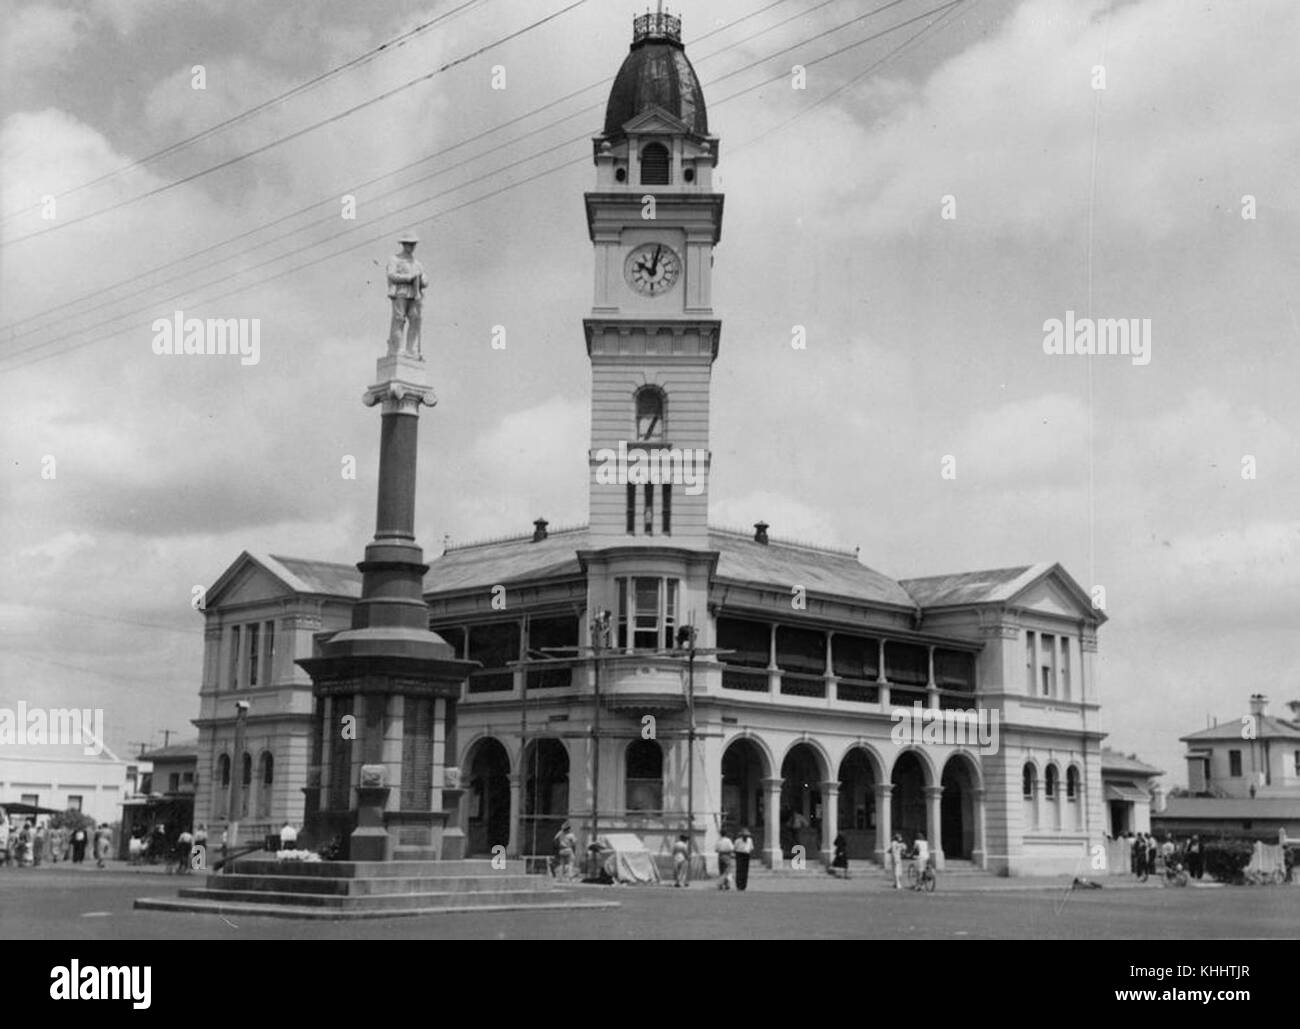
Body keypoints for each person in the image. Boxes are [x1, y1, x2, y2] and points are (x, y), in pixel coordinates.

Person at [386, 233, 429, 357]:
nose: (411, 246)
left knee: (415, 320)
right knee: (399, 320)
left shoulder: (417, 263)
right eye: (409, 244)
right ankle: (397, 349)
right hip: (401, 292)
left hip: (415, 294)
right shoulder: (395, 259)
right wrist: (408, 277)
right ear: (403, 244)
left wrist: (421, 280)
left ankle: (412, 349)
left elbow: (425, 281)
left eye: (413, 244)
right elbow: (391, 275)